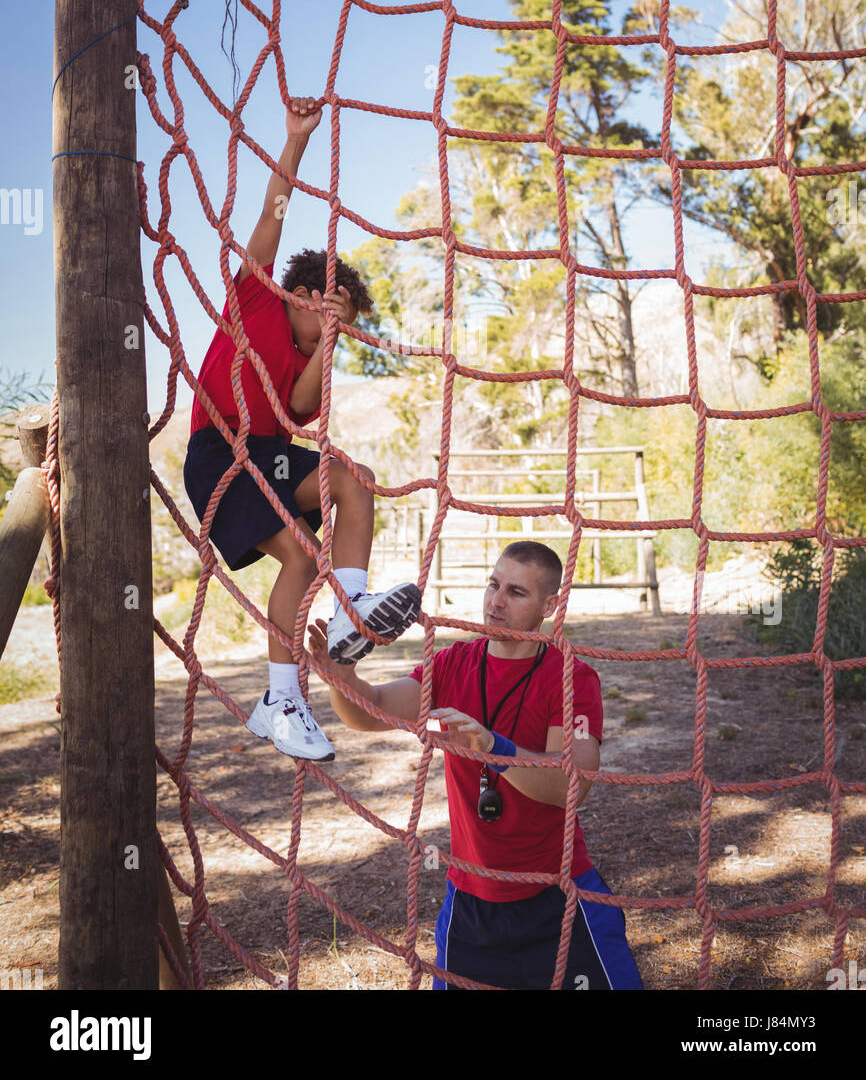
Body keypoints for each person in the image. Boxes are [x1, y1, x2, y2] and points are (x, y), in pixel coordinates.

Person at [183, 97, 421, 763]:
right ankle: (281, 700)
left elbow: (298, 407)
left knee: (354, 480)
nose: (333, 314)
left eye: (344, 312)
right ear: (305, 291)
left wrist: (330, 342)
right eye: (330, 301)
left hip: (265, 450)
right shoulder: (256, 292)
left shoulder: (309, 351)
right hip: (217, 452)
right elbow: (272, 212)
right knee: (293, 552)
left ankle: (349, 607)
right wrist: (295, 143)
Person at [308, 540, 643, 990]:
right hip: (471, 902)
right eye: (493, 584)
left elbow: (574, 785)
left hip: (559, 896)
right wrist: (343, 678)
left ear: (550, 604)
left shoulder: (572, 677)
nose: (496, 601)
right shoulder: (451, 664)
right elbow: (374, 709)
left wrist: (491, 747)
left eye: (516, 592)